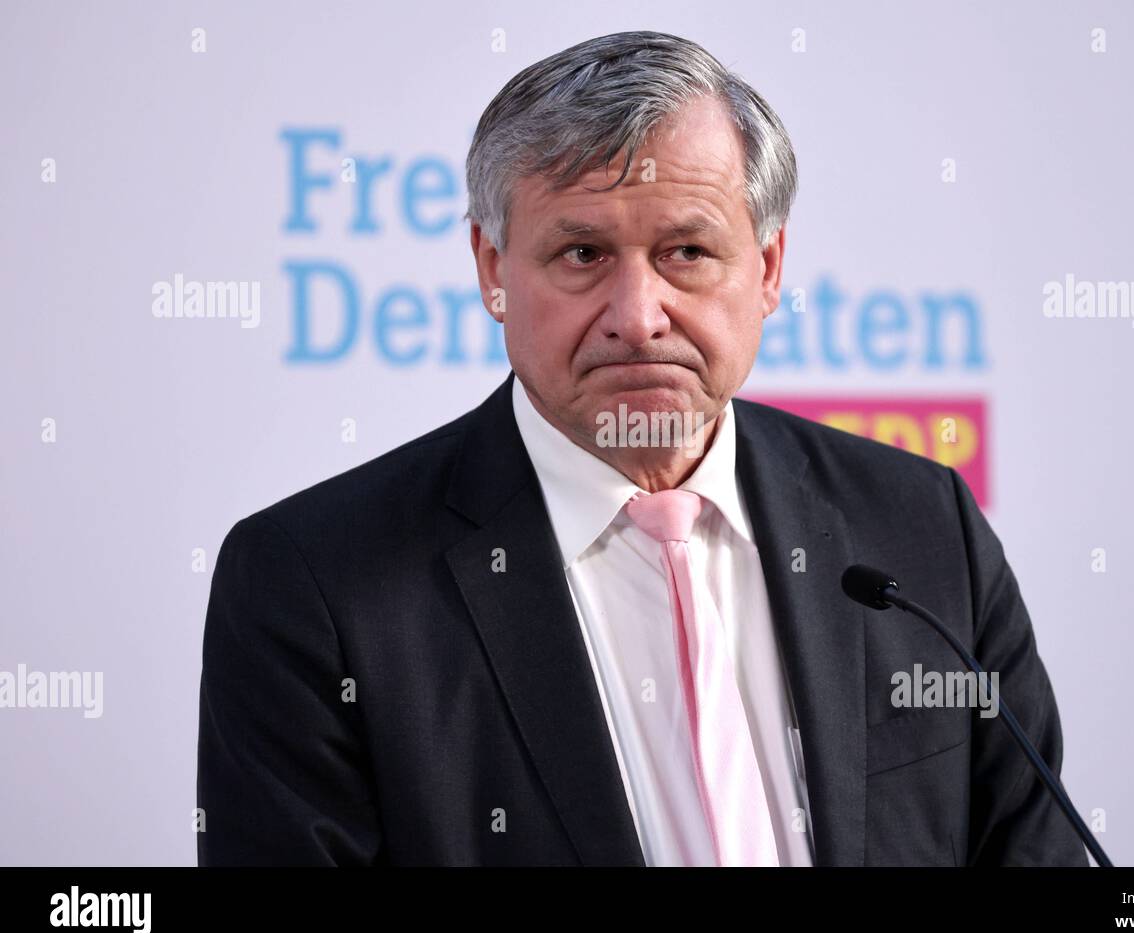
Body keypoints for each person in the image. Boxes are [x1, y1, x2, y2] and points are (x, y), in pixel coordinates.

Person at [197, 30, 1086, 866]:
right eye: (582, 253)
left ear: (768, 269)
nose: (636, 317)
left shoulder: (923, 529)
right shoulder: (313, 583)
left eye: (688, 251)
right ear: (490, 268)